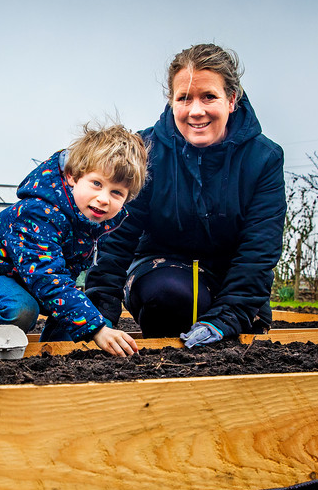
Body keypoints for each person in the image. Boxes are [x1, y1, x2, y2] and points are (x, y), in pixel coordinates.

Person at [84, 43, 286, 350]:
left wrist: (228, 317)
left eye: (208, 97)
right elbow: (118, 236)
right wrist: (98, 316)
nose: (196, 111)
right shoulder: (147, 150)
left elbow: (259, 248)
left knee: (234, 336)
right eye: (184, 98)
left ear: (231, 99)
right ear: (171, 101)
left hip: (229, 282)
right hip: (161, 273)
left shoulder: (264, 159)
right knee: (168, 296)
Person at [0, 123, 148, 356]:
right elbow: (46, 276)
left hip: (26, 275)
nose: (104, 199)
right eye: (97, 183)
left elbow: (60, 281)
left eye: (117, 193)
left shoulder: (92, 223)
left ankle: (52, 354)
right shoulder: (40, 213)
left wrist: (92, 322)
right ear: (72, 176)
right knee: (22, 309)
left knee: (78, 312)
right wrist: (97, 329)